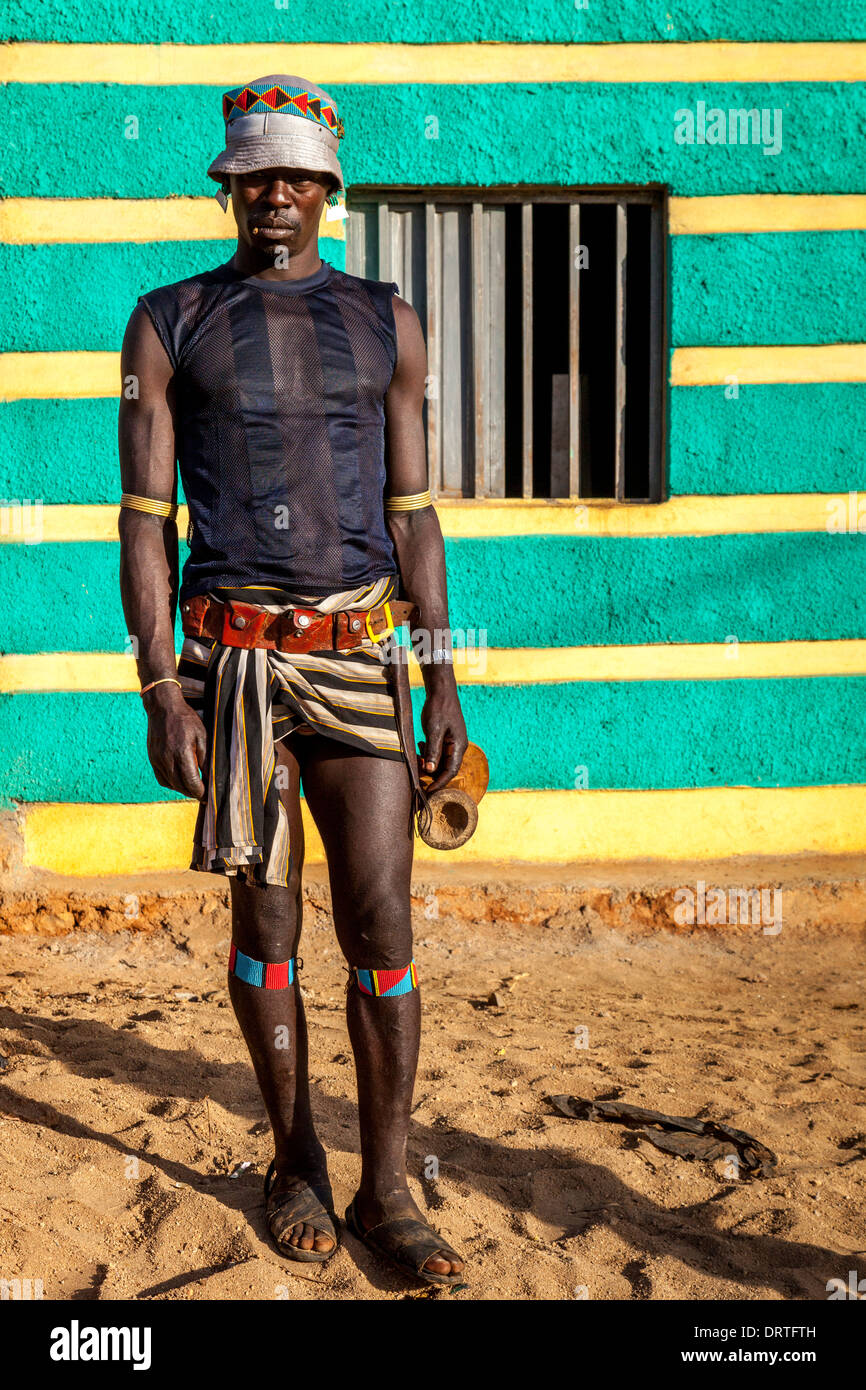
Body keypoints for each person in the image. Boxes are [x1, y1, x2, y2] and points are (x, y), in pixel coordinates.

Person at [118, 75, 467, 1286]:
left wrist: (441, 682)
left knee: (379, 927)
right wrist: (164, 688)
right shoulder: (169, 321)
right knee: (264, 922)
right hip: (234, 670)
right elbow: (143, 524)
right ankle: (295, 1160)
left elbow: (415, 520)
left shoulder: (388, 321)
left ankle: (387, 1191)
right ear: (229, 186)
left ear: (329, 186)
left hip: (362, 656)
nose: (275, 193)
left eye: (295, 174)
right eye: (253, 174)